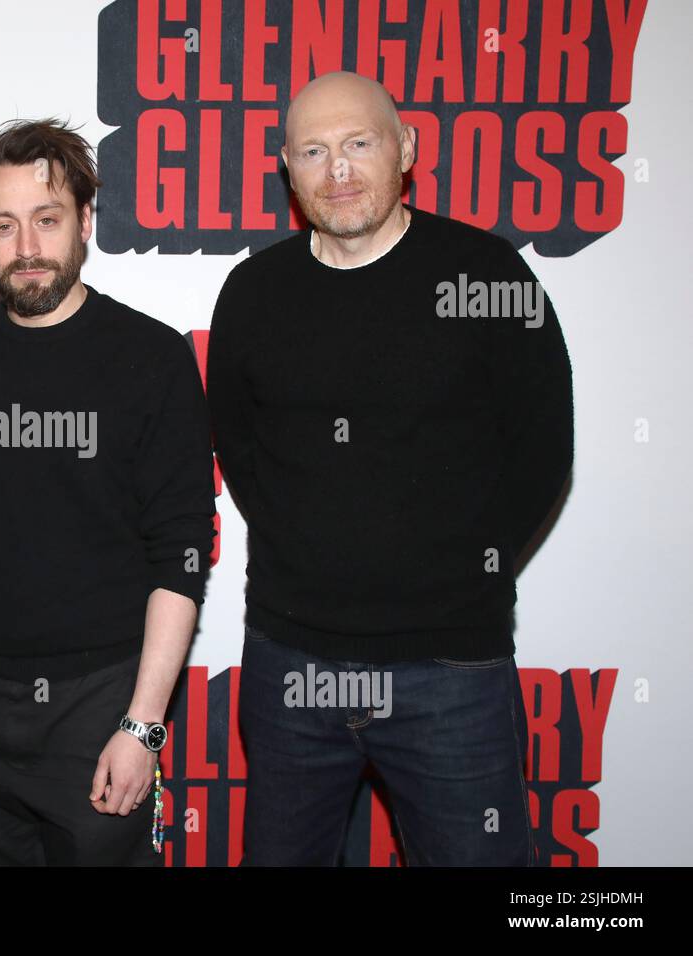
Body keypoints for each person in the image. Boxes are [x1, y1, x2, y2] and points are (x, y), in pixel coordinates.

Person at [208, 71, 573, 866]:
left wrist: (458, 568)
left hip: (451, 668)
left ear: (406, 149)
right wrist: (315, 552)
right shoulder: (253, 293)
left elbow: (545, 447)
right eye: (313, 150)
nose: (337, 170)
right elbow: (240, 449)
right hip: (290, 663)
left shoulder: (486, 275)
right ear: (287, 168)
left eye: (358, 143)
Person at [0, 119, 216, 866]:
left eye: (47, 220)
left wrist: (142, 725)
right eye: (3, 227)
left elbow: (181, 552)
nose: (28, 248)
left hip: (97, 705)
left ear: (85, 224)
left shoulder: (152, 358)